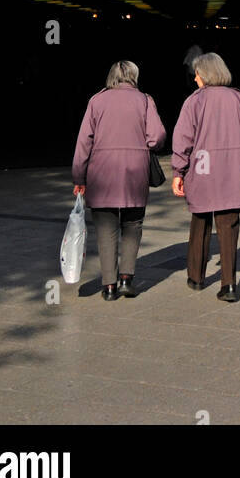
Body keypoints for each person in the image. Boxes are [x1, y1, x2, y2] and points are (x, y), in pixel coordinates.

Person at [72, 60, 166, 300]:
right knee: (133, 225)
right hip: (135, 171)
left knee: (105, 229)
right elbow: (157, 137)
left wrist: (78, 176)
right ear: (134, 76)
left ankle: (109, 286)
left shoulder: (97, 100)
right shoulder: (145, 100)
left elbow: (84, 142)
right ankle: (127, 279)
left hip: (101, 173)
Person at [171, 52, 240, 301]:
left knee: (200, 221)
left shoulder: (194, 101)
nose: (195, 78)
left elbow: (183, 140)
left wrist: (179, 171)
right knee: (229, 225)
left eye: (197, 74)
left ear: (205, 74)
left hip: (202, 168)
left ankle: (196, 277)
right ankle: (229, 285)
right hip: (233, 170)